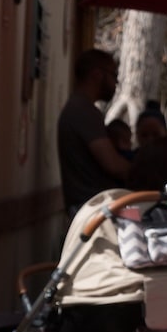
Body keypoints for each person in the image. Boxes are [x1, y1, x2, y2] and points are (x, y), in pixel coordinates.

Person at [57, 49, 130, 215]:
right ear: (97, 74)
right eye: (113, 75)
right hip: (94, 211)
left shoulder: (81, 109)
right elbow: (113, 165)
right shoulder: (82, 111)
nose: (116, 82)